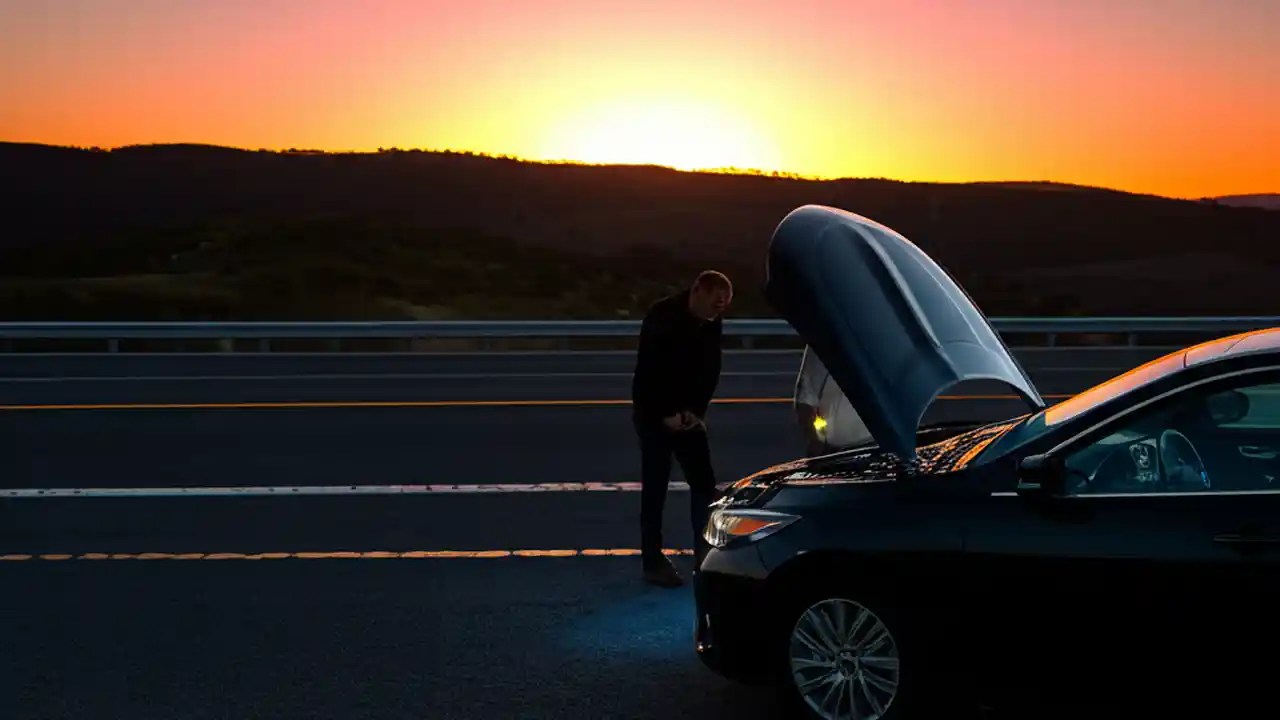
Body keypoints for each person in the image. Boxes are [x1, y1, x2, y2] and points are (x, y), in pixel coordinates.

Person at [631, 270, 733, 588]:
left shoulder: (712, 321)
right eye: (715, 302)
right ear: (697, 291)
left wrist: (696, 411)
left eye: (724, 305)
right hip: (653, 415)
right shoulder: (663, 316)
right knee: (656, 487)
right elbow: (648, 371)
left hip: (689, 416)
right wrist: (665, 413)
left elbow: (711, 367)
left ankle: (706, 555)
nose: (718, 310)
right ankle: (652, 561)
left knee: (704, 483)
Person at [793, 345, 871, 456]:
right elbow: (804, 403)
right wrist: (816, 442)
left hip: (870, 447)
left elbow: (804, 402)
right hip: (838, 449)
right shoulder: (822, 346)